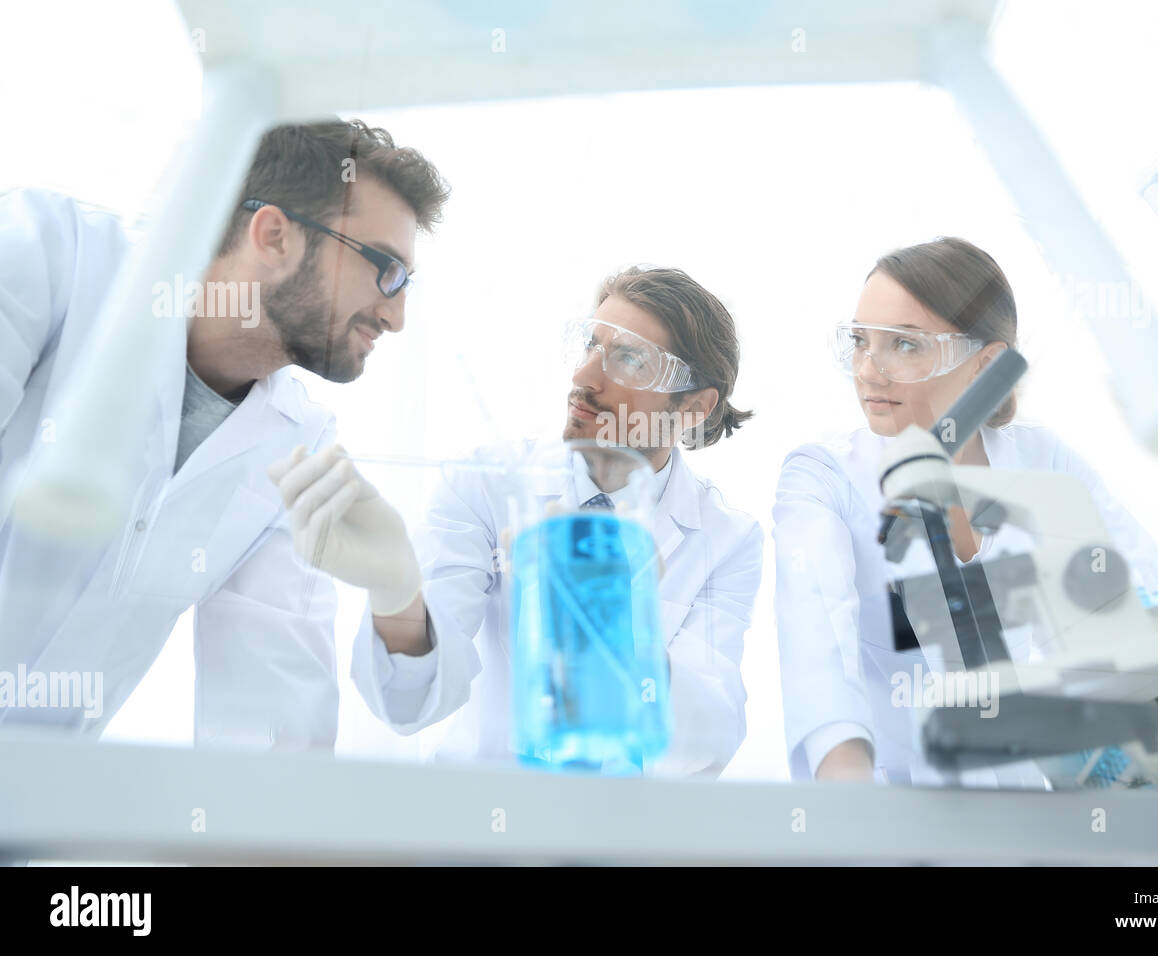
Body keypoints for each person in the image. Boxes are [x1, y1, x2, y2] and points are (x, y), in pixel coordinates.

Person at [0, 119, 449, 750]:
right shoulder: (49, 253)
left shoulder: (300, 449)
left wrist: (398, 597)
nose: (396, 315)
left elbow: (268, 735)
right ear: (274, 236)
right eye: (386, 270)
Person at [269, 266, 763, 777]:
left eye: (629, 359)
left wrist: (608, 618)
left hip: (622, 836)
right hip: (483, 830)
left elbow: (708, 737)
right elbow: (407, 703)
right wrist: (395, 592)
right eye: (591, 347)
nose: (583, 378)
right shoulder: (487, 486)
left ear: (695, 408)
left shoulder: (727, 539)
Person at [774, 237, 1158, 785]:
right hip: (896, 802)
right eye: (861, 342)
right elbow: (815, 633)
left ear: (986, 365)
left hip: (1044, 796)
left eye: (904, 346)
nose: (868, 371)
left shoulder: (1043, 461)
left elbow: (1143, 594)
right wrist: (845, 785)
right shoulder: (824, 476)